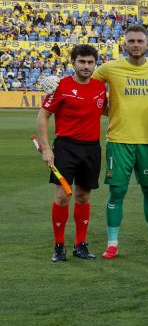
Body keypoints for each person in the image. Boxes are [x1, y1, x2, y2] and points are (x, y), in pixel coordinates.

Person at [92, 25, 148, 259]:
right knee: (117, 192)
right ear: (124, 44)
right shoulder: (109, 68)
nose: (135, 45)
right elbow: (88, 89)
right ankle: (112, 243)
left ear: (147, 44)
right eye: (131, 41)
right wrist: (104, 109)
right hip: (119, 140)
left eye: (139, 41)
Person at [36, 44, 105, 263]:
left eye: (90, 62)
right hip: (66, 147)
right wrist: (46, 148)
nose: (86, 66)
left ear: (95, 64)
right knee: (62, 196)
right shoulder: (61, 86)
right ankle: (59, 246)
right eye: (82, 62)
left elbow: (108, 110)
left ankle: (81, 245)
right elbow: (43, 116)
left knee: (83, 196)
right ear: (73, 63)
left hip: (92, 148)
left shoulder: (100, 86)